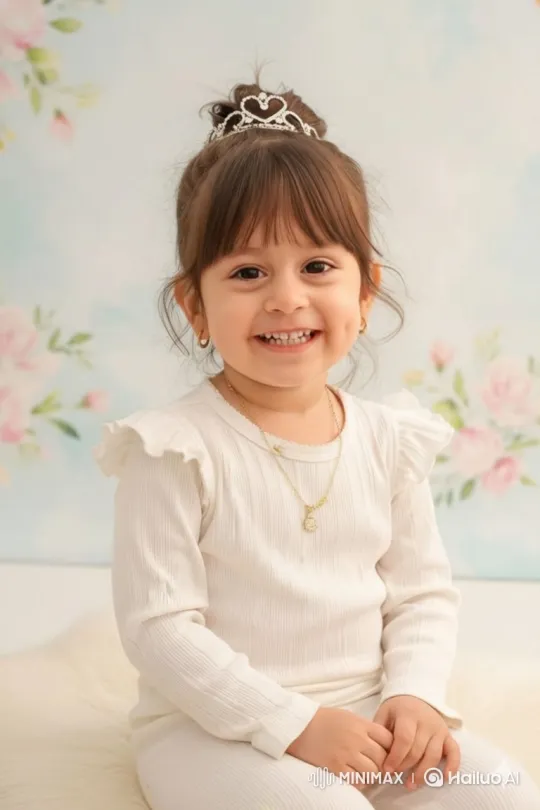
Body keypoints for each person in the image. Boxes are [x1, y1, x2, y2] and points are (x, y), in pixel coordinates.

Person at [95, 79, 540, 809]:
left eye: (317, 267)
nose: (286, 298)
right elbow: (160, 631)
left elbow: (422, 591)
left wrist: (416, 696)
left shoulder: (387, 439)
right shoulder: (174, 449)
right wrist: (292, 723)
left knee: (504, 792)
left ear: (365, 292)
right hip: (214, 729)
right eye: (246, 272)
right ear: (194, 304)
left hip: (366, 714)